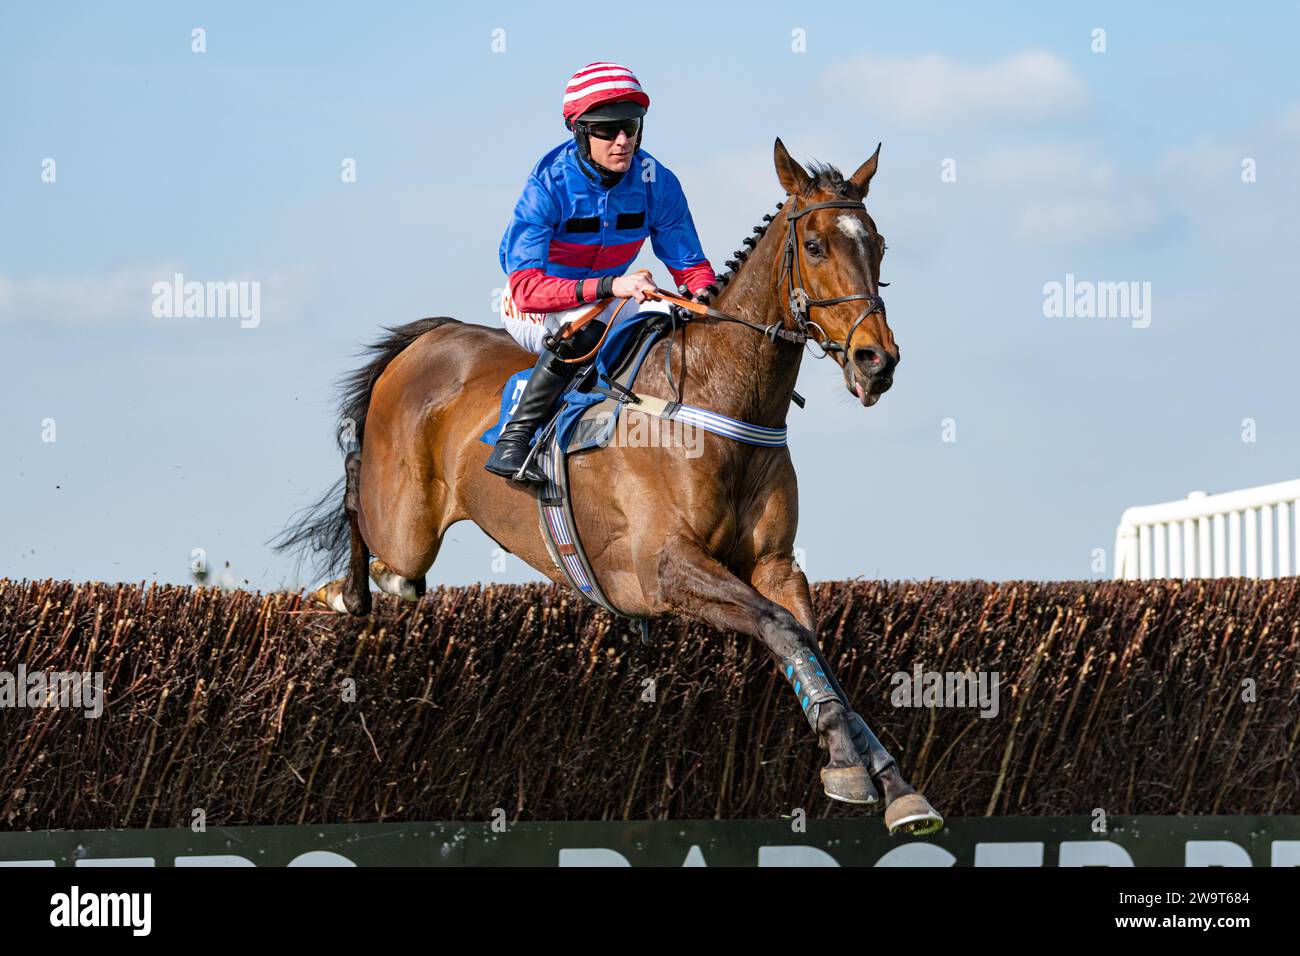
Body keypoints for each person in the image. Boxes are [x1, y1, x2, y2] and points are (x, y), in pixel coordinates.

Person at [486, 61, 715, 484]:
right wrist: (612, 285)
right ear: (579, 131)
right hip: (537, 303)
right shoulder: (547, 186)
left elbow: (689, 264)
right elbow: (527, 290)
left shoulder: (656, 181)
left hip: (614, 296)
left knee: (677, 329)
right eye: (607, 131)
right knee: (582, 331)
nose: (623, 141)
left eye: (630, 126)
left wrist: (703, 294)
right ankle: (513, 442)